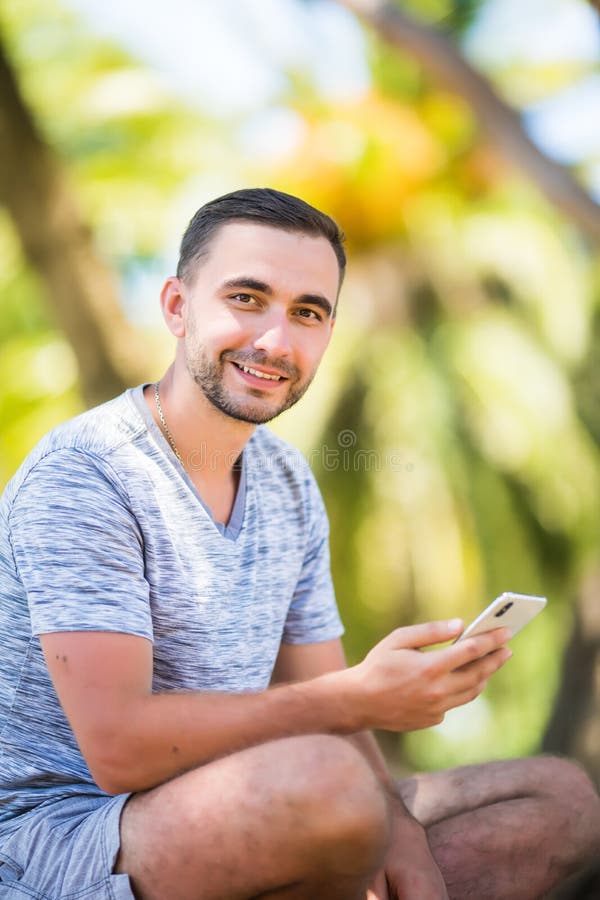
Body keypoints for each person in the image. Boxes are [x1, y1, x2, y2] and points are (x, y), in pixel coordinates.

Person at [0, 187, 598, 900]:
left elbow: (323, 695)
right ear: (176, 307)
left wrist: (403, 838)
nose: (276, 342)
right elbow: (119, 750)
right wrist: (357, 701)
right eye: (247, 299)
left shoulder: (285, 480)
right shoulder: (89, 471)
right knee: (328, 786)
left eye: (307, 313)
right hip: (64, 839)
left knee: (560, 796)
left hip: (257, 814)